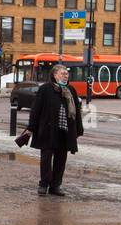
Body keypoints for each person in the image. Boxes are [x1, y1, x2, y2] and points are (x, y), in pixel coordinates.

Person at [27, 62, 84, 196]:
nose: (65, 76)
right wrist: (31, 127)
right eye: (62, 73)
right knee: (46, 158)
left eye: (66, 74)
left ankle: (55, 186)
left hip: (64, 131)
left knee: (61, 159)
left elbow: (77, 111)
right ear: (54, 75)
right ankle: (43, 184)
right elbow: (36, 109)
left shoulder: (70, 90)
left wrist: (78, 129)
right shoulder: (45, 89)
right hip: (48, 130)